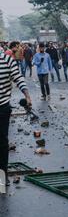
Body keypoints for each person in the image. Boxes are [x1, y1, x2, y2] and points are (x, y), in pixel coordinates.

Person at [0, 48, 32, 186]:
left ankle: (2, 176)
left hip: (2, 107)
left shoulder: (7, 60)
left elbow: (18, 78)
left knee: (1, 143)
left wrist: (27, 96)